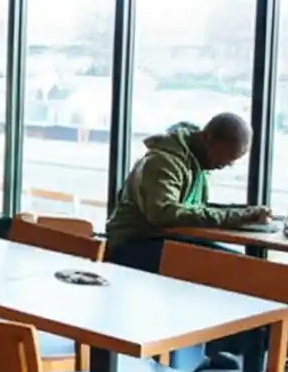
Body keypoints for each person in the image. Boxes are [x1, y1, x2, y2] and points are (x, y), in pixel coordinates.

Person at [105, 113, 270, 272]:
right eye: (226, 156)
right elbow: (164, 213)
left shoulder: (194, 163)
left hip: (162, 239)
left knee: (245, 267)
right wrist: (236, 216)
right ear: (207, 138)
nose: (226, 164)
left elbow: (194, 209)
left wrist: (243, 213)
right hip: (132, 244)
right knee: (240, 270)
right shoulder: (162, 162)